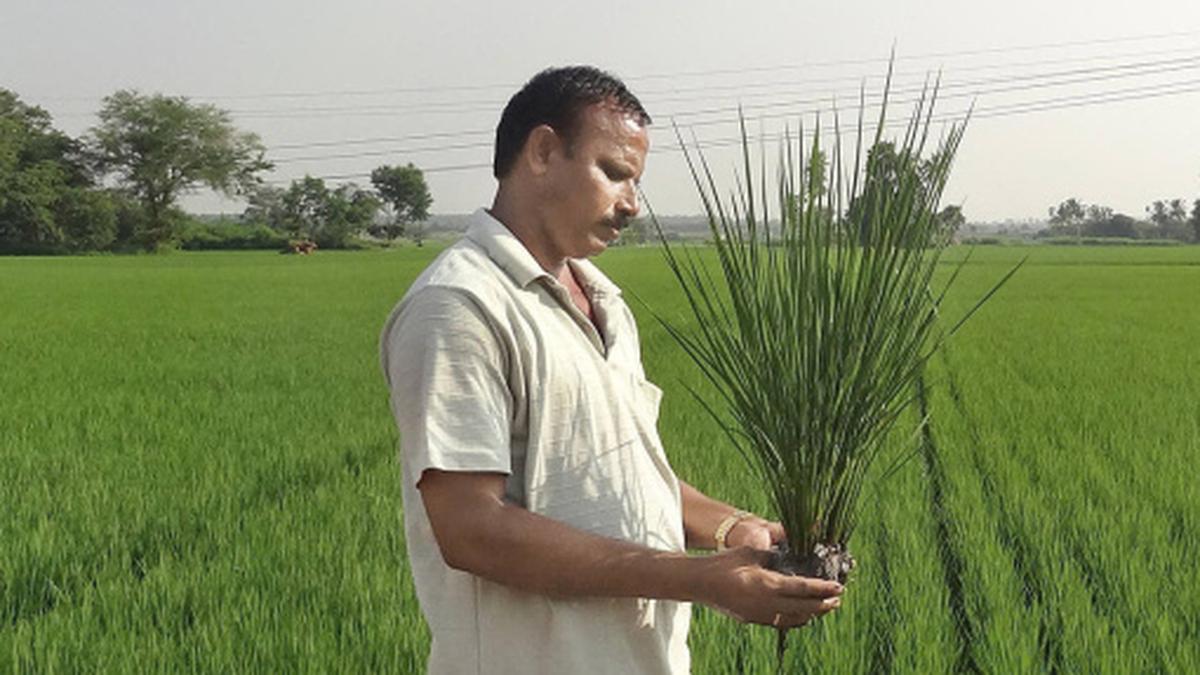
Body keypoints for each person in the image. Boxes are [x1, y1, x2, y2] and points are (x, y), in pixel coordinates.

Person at [379, 65, 843, 675]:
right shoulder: (461, 306)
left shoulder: (605, 303)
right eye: (615, 172)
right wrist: (701, 580)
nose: (631, 204)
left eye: (635, 182)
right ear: (543, 151)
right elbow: (470, 529)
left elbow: (626, 472)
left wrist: (735, 527)